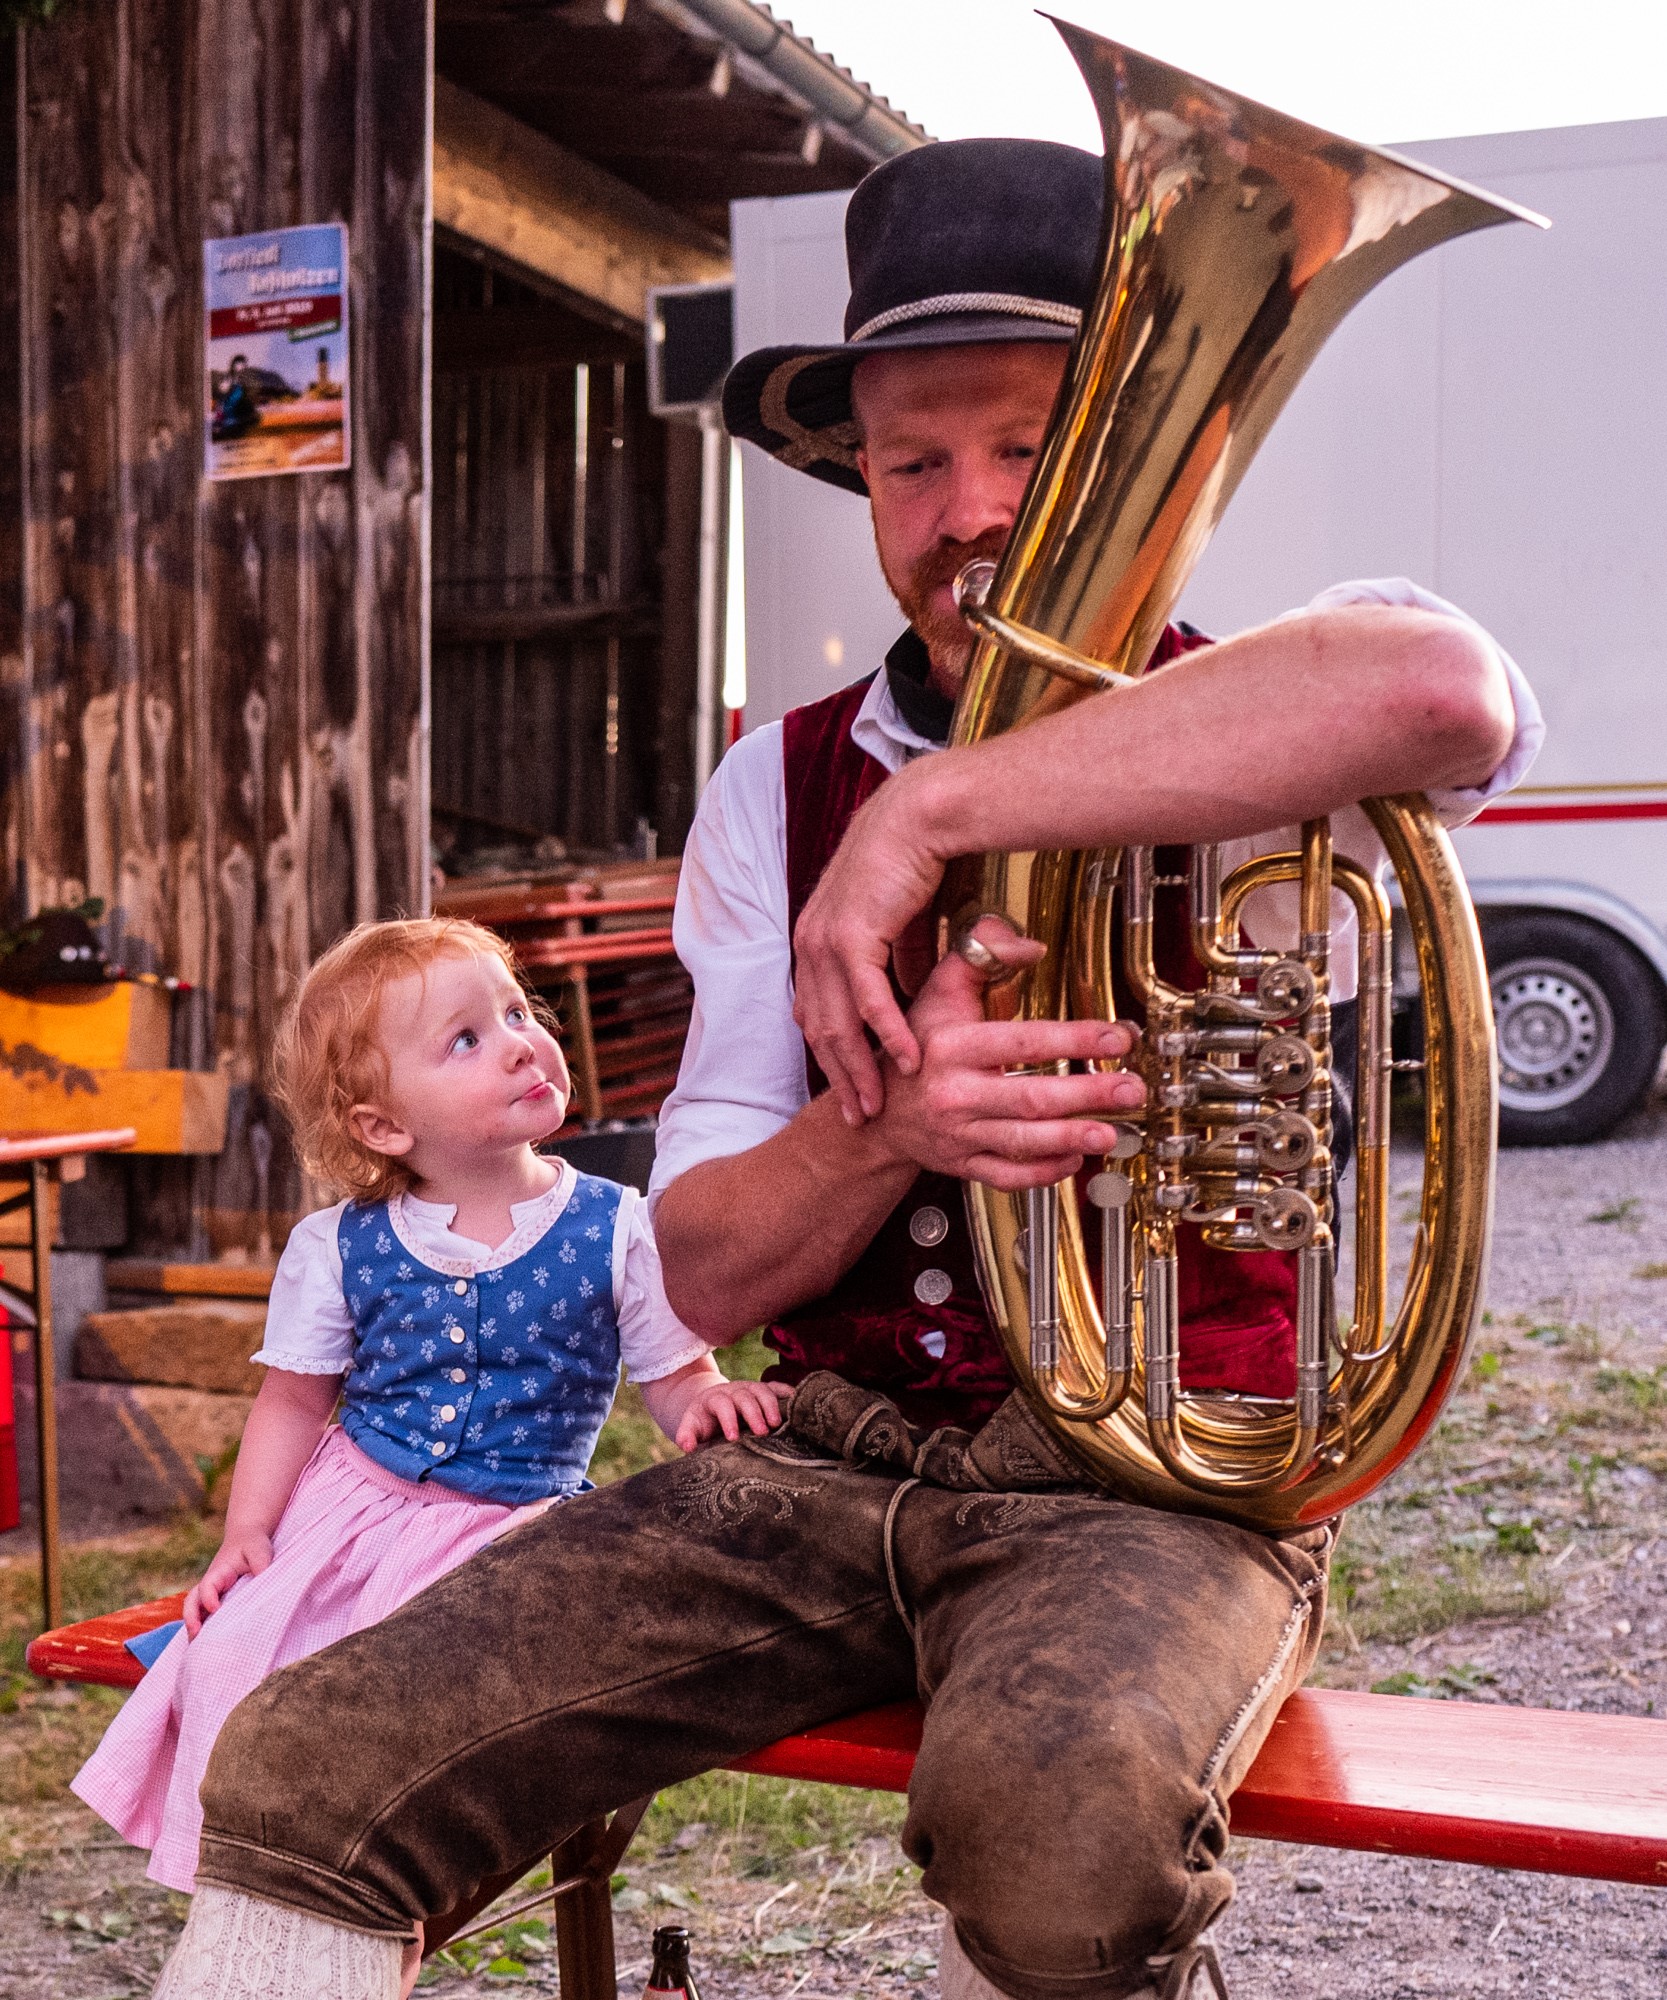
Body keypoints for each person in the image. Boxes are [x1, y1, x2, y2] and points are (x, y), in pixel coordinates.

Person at [148, 141, 1541, 2000]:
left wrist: (938, 811)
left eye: (1030, 447)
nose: (967, 511)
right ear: (862, 480)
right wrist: (883, 1118)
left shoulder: (1273, 706)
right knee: (306, 1767)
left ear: (1155, 462)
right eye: (909, 459)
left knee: (1061, 1843)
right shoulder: (769, 782)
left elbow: (1449, 695)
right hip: (819, 1468)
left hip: (1158, 1498)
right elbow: (705, 1275)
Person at [77, 917, 781, 1900]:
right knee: (238, 1649)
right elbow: (291, 1401)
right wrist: (247, 1530)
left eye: (515, 1009)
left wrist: (708, 1398)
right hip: (354, 1509)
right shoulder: (339, 1244)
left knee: (444, 1682)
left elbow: (673, 1372)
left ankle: (394, 1864)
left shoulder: (613, 1224)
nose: (519, 1038)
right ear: (383, 1126)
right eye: (466, 1037)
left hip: (514, 1522)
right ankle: (250, 1871)